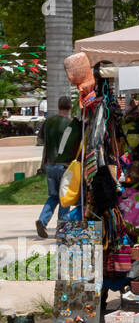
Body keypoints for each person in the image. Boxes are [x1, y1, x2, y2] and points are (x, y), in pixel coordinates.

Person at [36, 96, 82, 239]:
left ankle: (42, 221)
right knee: (64, 198)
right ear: (69, 108)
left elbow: (40, 140)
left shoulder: (47, 122)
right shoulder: (71, 125)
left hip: (49, 165)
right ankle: (61, 228)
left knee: (53, 196)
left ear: (58, 106)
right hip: (65, 166)